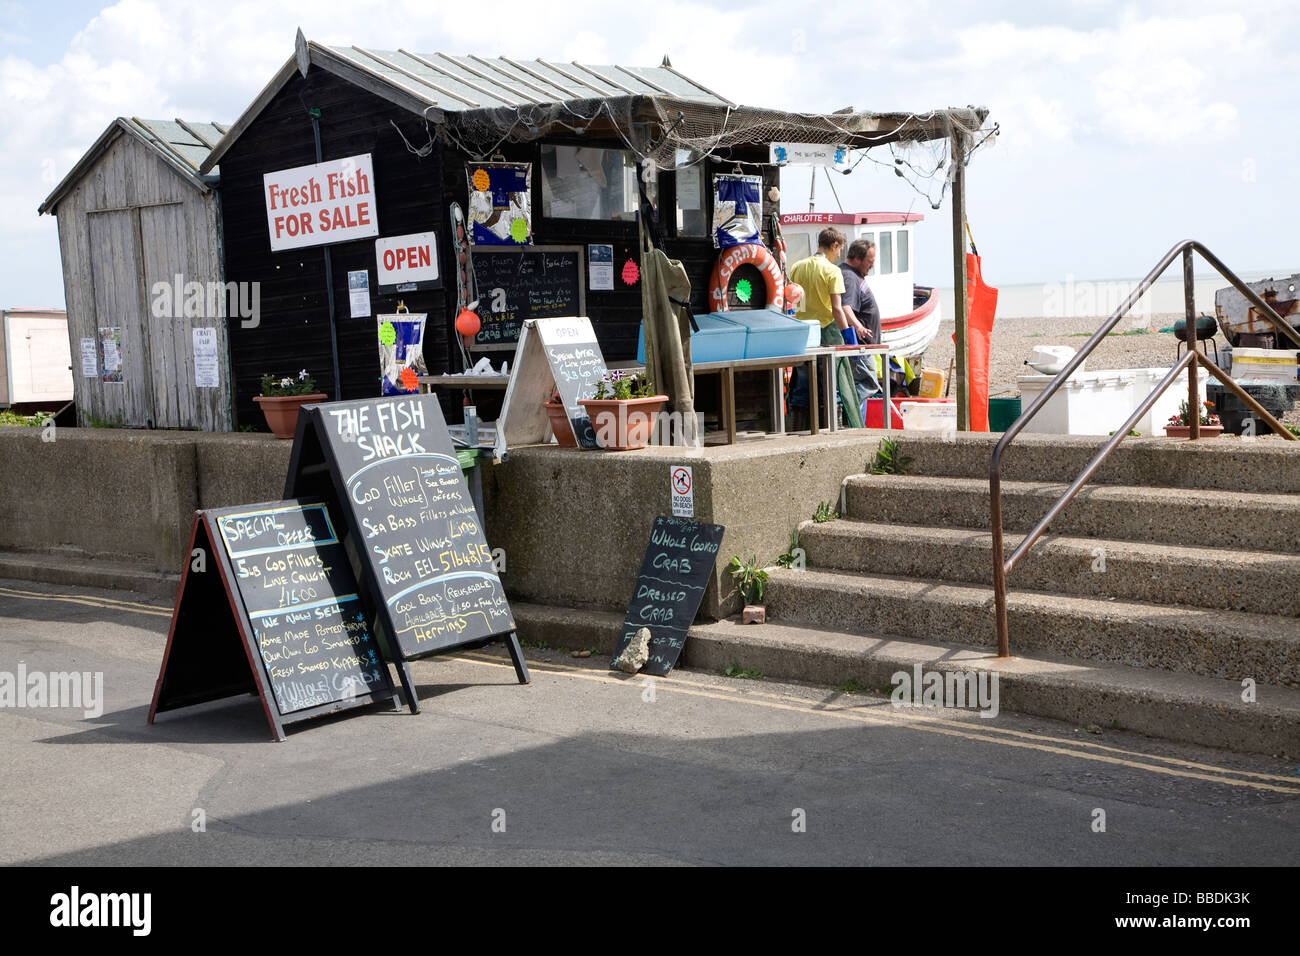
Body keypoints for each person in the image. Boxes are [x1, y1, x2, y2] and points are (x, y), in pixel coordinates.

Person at [786, 228, 865, 430]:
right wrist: (849, 337)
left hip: (803, 333)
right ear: (834, 246)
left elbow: (794, 302)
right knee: (835, 383)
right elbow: (837, 309)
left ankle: (799, 430)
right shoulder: (832, 271)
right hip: (828, 330)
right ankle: (834, 428)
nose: (839, 255)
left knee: (803, 384)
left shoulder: (797, 267)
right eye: (839, 250)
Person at [840, 239, 883, 403]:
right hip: (859, 345)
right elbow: (845, 307)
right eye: (869, 262)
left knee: (864, 383)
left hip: (864, 344)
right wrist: (859, 327)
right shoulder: (850, 277)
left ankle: (854, 420)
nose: (871, 267)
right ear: (857, 258)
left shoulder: (854, 275)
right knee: (867, 383)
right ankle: (851, 418)